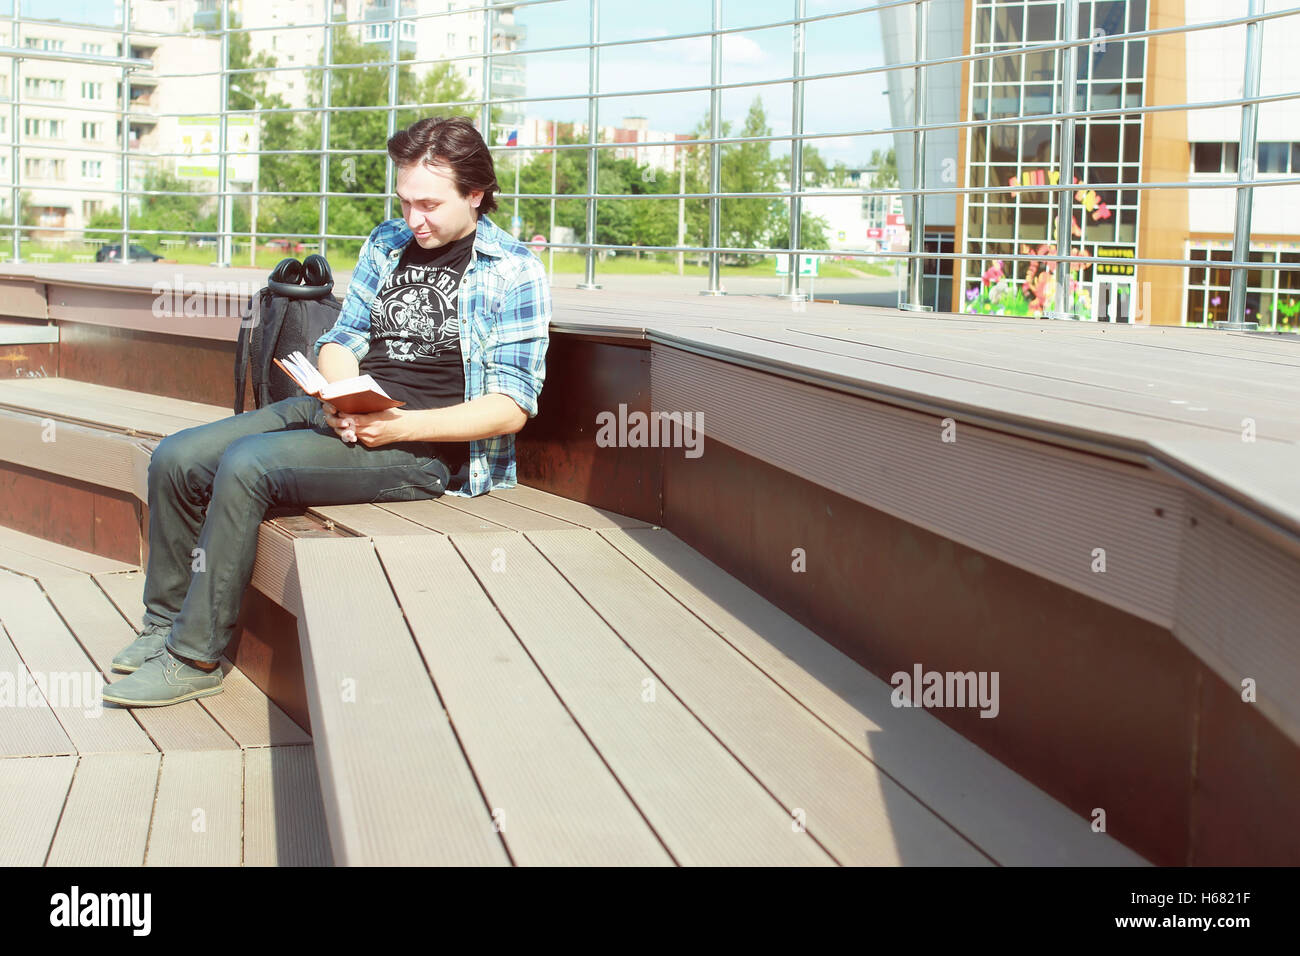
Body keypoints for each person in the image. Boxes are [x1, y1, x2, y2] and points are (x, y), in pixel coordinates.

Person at [103, 115, 550, 708]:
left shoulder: (513, 271)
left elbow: (511, 405)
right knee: (178, 456)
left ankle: (195, 656)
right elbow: (341, 338)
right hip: (342, 414)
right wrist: (343, 396)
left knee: (248, 464)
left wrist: (397, 426)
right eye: (405, 201)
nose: (414, 219)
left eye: (430, 205)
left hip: (421, 451)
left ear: (475, 194)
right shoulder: (387, 242)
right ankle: (163, 626)